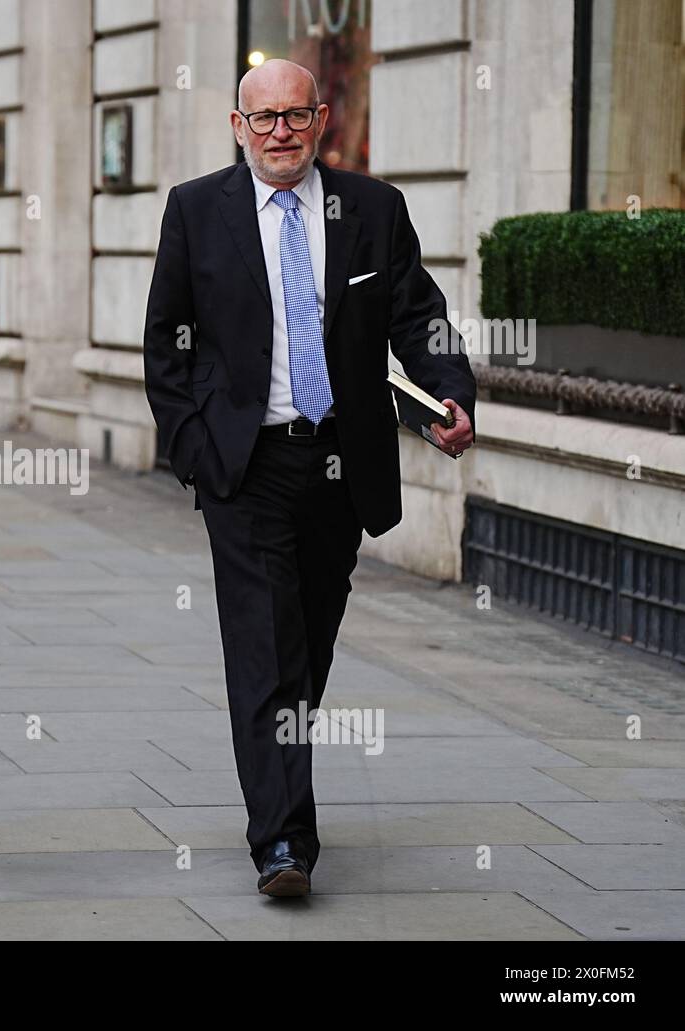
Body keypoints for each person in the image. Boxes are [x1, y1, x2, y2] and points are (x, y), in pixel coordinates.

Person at [143, 59, 476, 897]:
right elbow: (167, 341)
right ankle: (284, 842)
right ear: (237, 125)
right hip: (245, 465)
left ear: (321, 120)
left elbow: (417, 314)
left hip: (339, 464)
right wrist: (194, 447)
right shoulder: (195, 210)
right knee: (264, 648)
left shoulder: (372, 209)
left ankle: (279, 775)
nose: (280, 132)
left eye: (296, 116)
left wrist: (447, 393)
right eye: (264, 119)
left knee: (307, 646)